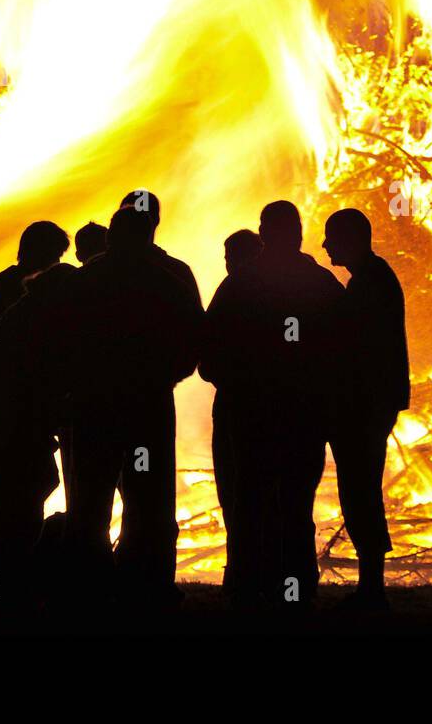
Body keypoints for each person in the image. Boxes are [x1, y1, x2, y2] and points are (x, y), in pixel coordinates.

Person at [199, 201, 342, 607]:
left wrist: (235, 381)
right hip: (302, 415)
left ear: (263, 234)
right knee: (296, 503)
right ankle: (293, 588)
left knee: (248, 501)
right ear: (298, 232)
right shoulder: (320, 284)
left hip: (248, 415)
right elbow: (343, 350)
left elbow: (209, 352)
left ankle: (248, 586)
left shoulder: (240, 286)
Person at [61, 207, 202, 607]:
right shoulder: (167, 282)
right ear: (149, 234)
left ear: (111, 238)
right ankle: (148, 582)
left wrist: (72, 386)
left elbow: (57, 341)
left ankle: (84, 586)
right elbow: (194, 339)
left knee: (90, 496)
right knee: (150, 495)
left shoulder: (85, 280)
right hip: (146, 408)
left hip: (95, 406)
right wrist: (166, 378)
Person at [0, 221, 69, 592]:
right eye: (54, 254)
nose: (56, 261)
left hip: (7, 399)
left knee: (9, 485)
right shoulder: (21, 292)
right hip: (17, 403)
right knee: (26, 482)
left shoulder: (14, 288)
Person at [321, 208, 410, 609]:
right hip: (370, 403)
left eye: (331, 238)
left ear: (351, 239)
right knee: (361, 490)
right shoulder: (372, 280)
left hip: (364, 406)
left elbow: (350, 344)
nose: (324, 246)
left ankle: (372, 586)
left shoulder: (370, 284)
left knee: (360, 490)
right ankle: (370, 584)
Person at [199, 228, 263, 599]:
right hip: (273, 407)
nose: (227, 262)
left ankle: (243, 577)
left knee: (238, 492)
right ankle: (275, 577)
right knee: (264, 496)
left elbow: (207, 351)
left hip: (238, 406)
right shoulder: (286, 286)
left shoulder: (233, 291)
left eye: (230, 255)